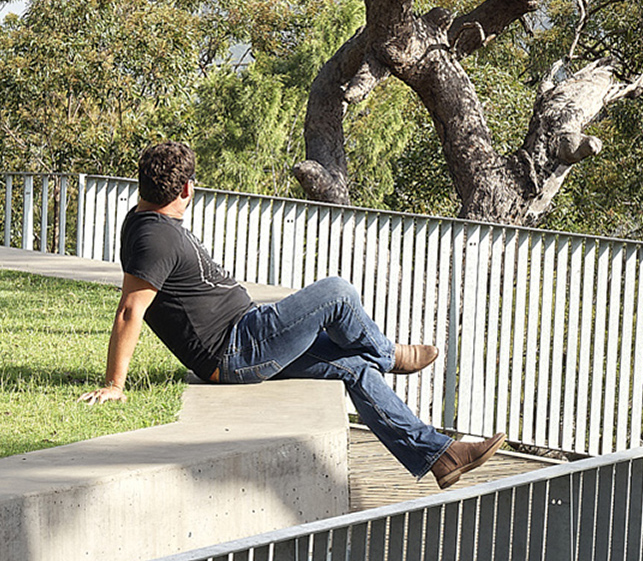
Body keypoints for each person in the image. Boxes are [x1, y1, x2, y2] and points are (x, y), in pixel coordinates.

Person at [87, 139, 498, 485]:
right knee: (336, 292)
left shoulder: (145, 220)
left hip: (245, 335)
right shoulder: (154, 238)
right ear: (187, 191)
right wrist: (114, 384)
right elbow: (129, 311)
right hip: (236, 350)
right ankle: (390, 355)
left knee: (354, 365)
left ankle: (438, 457)